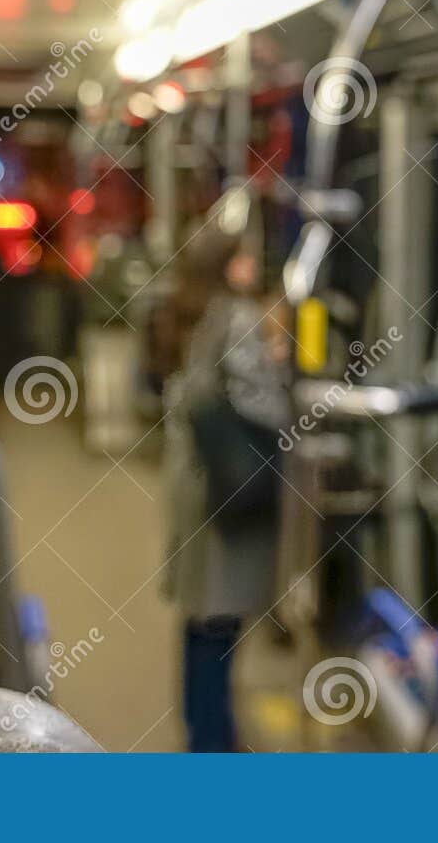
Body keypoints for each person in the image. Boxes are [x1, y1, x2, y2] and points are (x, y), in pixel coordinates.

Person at [161, 233, 291, 752]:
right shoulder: (237, 318)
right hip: (229, 492)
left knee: (199, 619)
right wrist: (280, 360)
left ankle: (201, 728)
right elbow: (263, 406)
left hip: (196, 484)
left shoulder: (193, 312)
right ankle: (213, 745)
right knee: (219, 619)